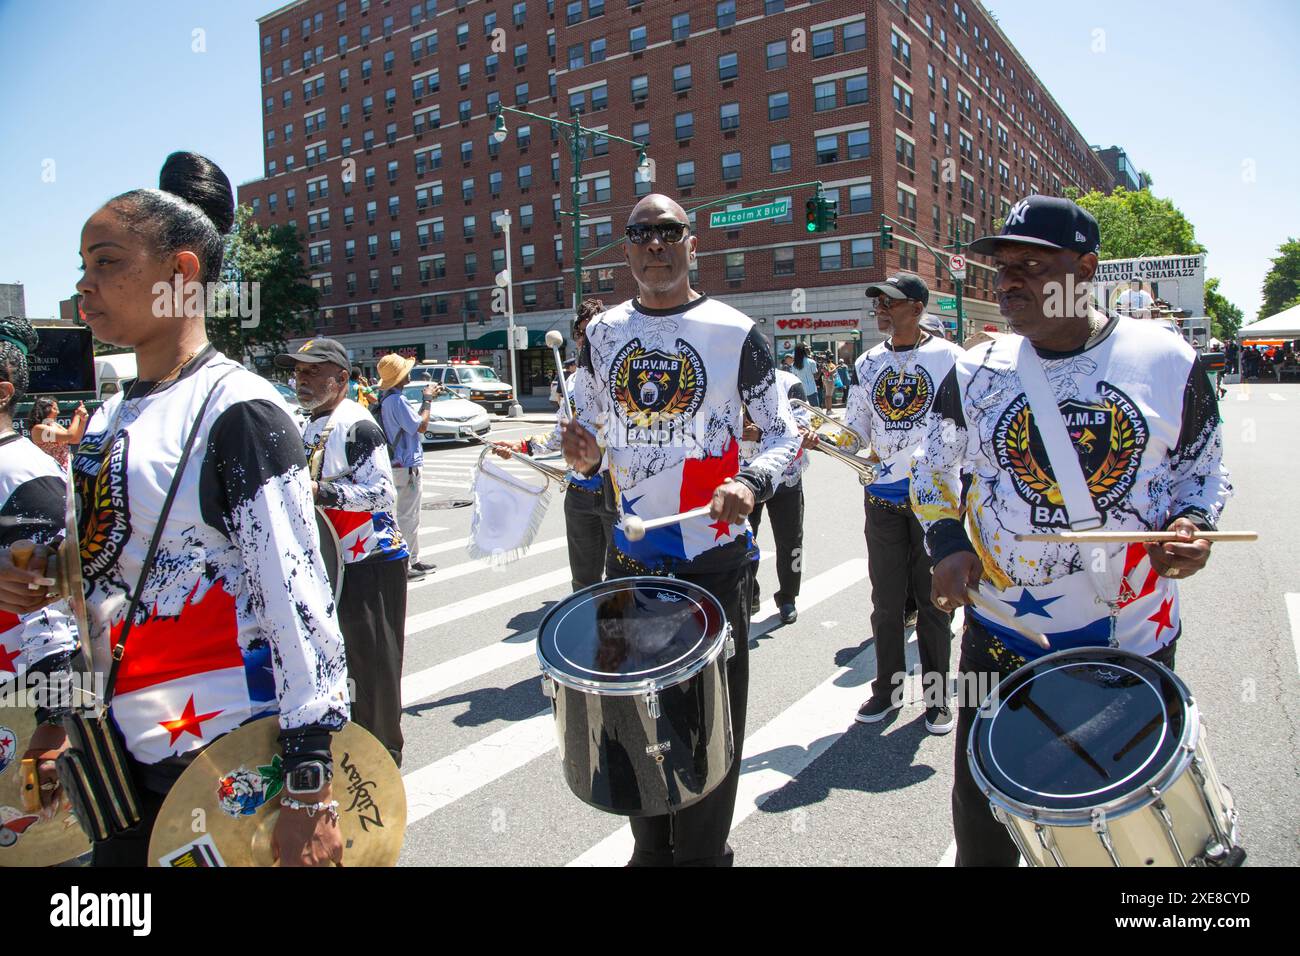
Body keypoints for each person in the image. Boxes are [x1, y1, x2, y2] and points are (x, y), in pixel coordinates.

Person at [0, 152, 349, 866]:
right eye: (82, 265)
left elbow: (300, 600)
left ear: (180, 274)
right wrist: (54, 703)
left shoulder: (239, 410)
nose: (82, 284)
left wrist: (310, 788)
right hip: (115, 761)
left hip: (221, 762)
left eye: (104, 263)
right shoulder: (105, 418)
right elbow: (98, 573)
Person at [911, 194, 1232, 866]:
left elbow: (1199, 475)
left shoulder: (1167, 360)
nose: (1009, 283)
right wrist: (947, 545)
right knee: (986, 831)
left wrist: (1191, 526)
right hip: (1003, 640)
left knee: (1117, 837)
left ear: (1085, 268)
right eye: (1002, 269)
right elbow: (931, 473)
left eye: (1031, 264)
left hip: (1129, 643)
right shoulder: (974, 370)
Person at [561, 193, 800, 866]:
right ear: (628, 247)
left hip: (712, 563)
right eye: (642, 234)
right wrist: (580, 455)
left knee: (707, 724)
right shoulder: (601, 333)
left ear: (693, 244)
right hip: (631, 561)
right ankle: (648, 847)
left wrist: (750, 482)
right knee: (632, 718)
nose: (656, 245)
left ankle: (701, 853)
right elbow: (587, 438)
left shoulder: (733, 331)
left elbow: (786, 435)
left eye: (669, 232)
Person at [277, 338, 409, 766]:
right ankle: (351, 746)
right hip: (335, 564)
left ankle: (382, 758)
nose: (301, 379)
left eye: (313, 371)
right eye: (298, 371)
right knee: (343, 662)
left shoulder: (357, 424)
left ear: (342, 379)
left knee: (373, 670)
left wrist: (320, 491)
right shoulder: (310, 421)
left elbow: (382, 494)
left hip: (371, 561)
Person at [841, 274, 963, 734]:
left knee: (935, 603)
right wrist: (828, 439)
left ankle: (937, 698)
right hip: (882, 500)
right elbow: (857, 431)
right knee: (887, 604)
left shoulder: (951, 358)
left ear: (916, 308)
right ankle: (886, 691)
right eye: (877, 303)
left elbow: (965, 431)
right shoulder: (868, 363)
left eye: (890, 302)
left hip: (935, 503)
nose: (881, 309)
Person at [493, 298, 616, 592]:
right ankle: (587, 631)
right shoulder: (571, 382)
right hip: (580, 493)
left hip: (617, 492)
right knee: (583, 580)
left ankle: (618, 634)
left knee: (620, 577)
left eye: (595, 333)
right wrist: (520, 446)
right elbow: (558, 434)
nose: (587, 340)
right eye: (582, 333)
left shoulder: (621, 378)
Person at [0, 318, 80, 704]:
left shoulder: (21, 472)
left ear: (3, 393)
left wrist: (53, 722)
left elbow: (56, 609)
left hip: (15, 703)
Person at [743, 365, 812, 625]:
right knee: (742, 539)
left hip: (785, 474)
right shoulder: (727, 378)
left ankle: (788, 597)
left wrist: (761, 434)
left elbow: (802, 426)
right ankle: (750, 593)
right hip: (743, 475)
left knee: (791, 540)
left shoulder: (789, 382)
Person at [374, 352, 440, 580]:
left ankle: (413, 558)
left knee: (406, 514)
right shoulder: (397, 400)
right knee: (407, 516)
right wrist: (428, 399)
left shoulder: (386, 398)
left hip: (397, 462)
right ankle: (405, 562)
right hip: (406, 464)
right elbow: (420, 426)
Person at [25, 396, 89, 471]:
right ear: (45, 410)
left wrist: (83, 420)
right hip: (51, 471)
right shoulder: (38, 429)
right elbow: (69, 435)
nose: (58, 412)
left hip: (65, 471)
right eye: (55, 409)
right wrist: (77, 415)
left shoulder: (54, 425)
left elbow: (75, 440)